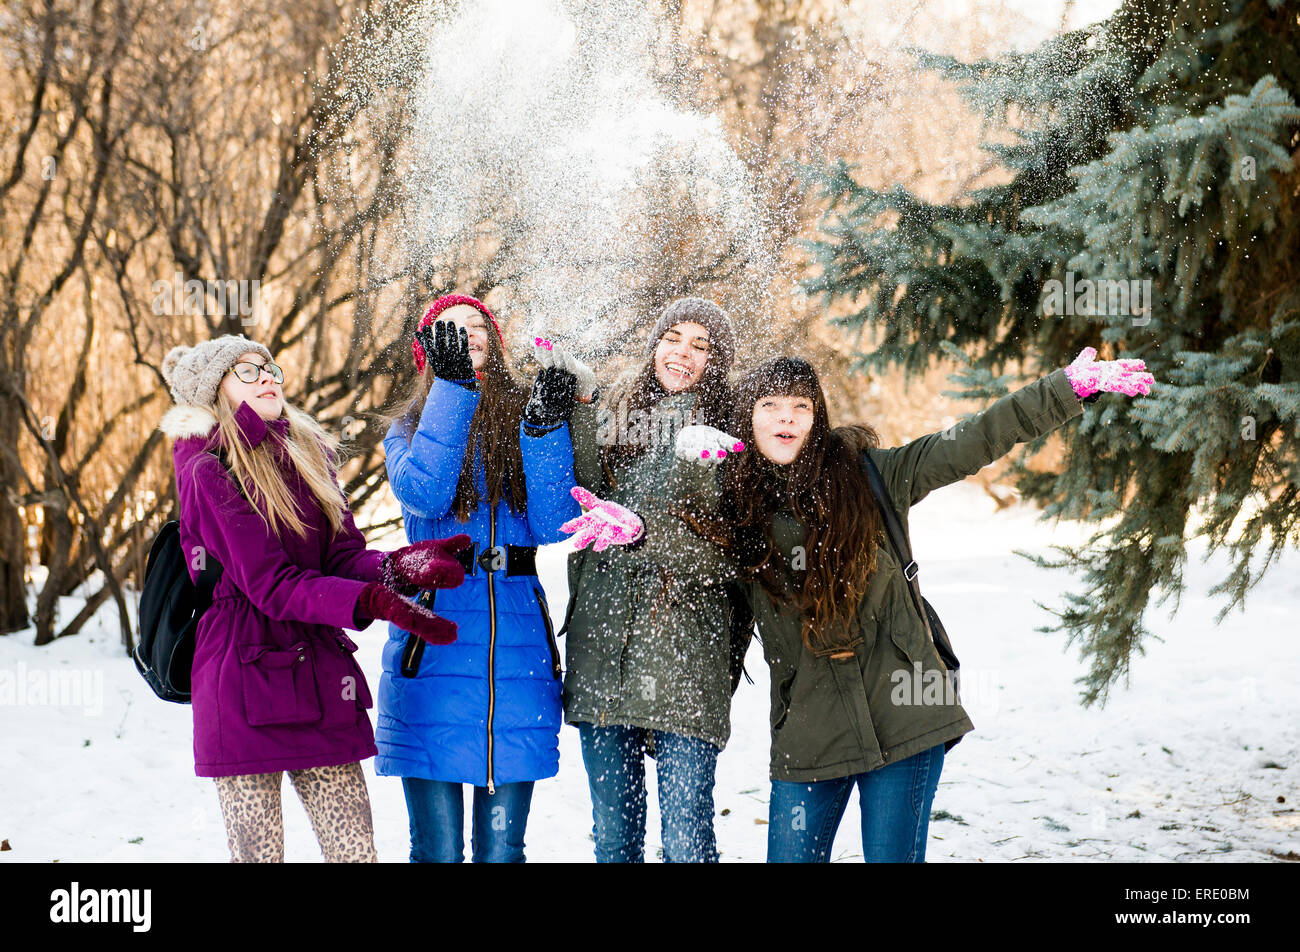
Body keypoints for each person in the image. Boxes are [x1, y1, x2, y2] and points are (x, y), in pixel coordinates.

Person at [701, 349, 1153, 862]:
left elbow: (973, 438)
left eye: (801, 405)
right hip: (808, 730)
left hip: (906, 715)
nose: (787, 416)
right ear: (747, 416)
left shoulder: (873, 476)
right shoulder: (732, 508)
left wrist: (1064, 388)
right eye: (771, 404)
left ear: (817, 417)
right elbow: (696, 595)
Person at [159, 334, 467, 863]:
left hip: (318, 676)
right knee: (260, 858)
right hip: (242, 680)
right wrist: (371, 602)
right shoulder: (206, 470)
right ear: (216, 392)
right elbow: (271, 585)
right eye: (247, 372)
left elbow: (342, 558)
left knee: (355, 853)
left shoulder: (309, 455)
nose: (268, 377)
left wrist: (395, 569)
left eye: (270, 367)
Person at [377, 294, 581, 863]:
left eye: (478, 324)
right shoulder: (408, 428)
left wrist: (542, 431)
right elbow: (427, 493)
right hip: (434, 649)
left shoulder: (523, 419)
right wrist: (453, 391)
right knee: (438, 853)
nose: (468, 332)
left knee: (501, 853)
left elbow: (552, 523)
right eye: (452, 327)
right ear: (429, 353)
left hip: (517, 658)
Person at [553, 296, 749, 863]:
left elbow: (735, 562)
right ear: (655, 343)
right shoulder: (618, 413)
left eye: (702, 345)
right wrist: (579, 403)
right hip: (601, 653)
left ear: (718, 361)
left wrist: (647, 533)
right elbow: (580, 496)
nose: (682, 353)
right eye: (673, 337)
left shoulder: (731, 436)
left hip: (687, 656)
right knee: (615, 842)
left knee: (687, 840)